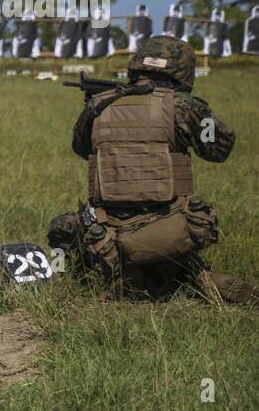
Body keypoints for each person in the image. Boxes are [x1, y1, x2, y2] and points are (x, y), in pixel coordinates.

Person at [47, 36, 257, 305]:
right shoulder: (184, 106)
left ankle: (73, 280)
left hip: (106, 233)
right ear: (182, 70)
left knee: (61, 229)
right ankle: (178, 276)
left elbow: (80, 148)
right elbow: (219, 150)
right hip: (170, 230)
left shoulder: (99, 105)